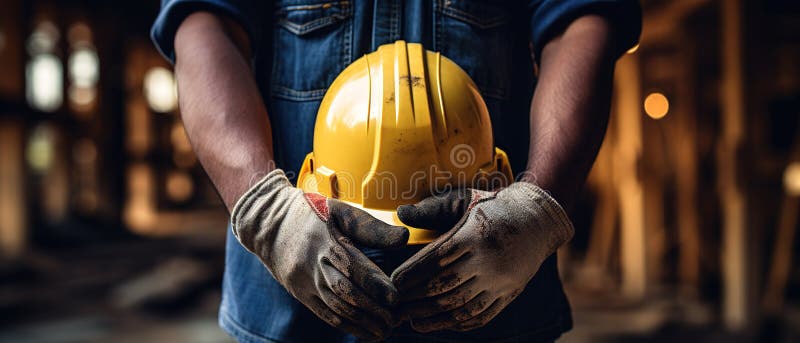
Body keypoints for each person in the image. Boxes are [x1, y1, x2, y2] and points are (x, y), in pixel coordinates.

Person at [151, 1, 641, 341]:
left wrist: (539, 206)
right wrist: (266, 211)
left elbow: (582, 17)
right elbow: (203, 20)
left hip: (496, 298)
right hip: (293, 314)